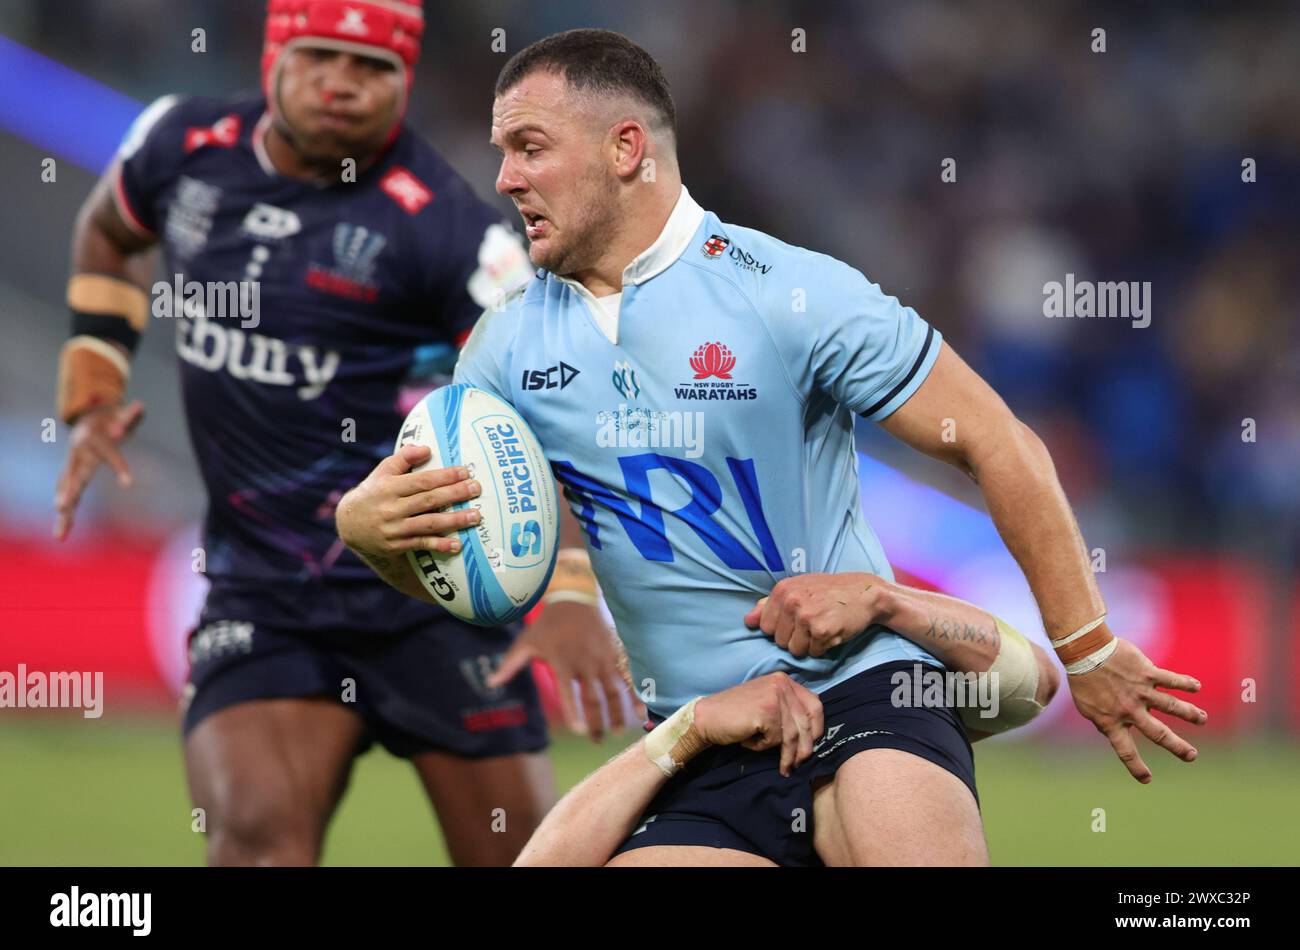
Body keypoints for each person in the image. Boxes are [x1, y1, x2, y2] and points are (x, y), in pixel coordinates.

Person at [336, 29, 1206, 867]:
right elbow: (478, 571)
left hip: (863, 693)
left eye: (529, 147)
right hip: (704, 738)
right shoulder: (500, 353)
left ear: (626, 147)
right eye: (501, 151)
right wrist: (377, 539)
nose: (504, 177)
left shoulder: (789, 293)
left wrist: (1087, 648)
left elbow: (996, 442)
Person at [50, 0, 623, 867]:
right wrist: (94, 380)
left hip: (435, 595)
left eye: (374, 69)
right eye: (323, 58)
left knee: (525, 861)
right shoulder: (179, 146)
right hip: (266, 597)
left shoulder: (446, 227)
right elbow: (107, 230)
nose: (345, 86)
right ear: (274, 55)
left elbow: (550, 396)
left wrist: (574, 584)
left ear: (406, 79)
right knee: (254, 845)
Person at [515, 576, 1065, 866]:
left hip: (863, 733)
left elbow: (1029, 681)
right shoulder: (682, 746)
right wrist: (693, 727)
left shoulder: (859, 650)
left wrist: (885, 599)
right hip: (706, 784)